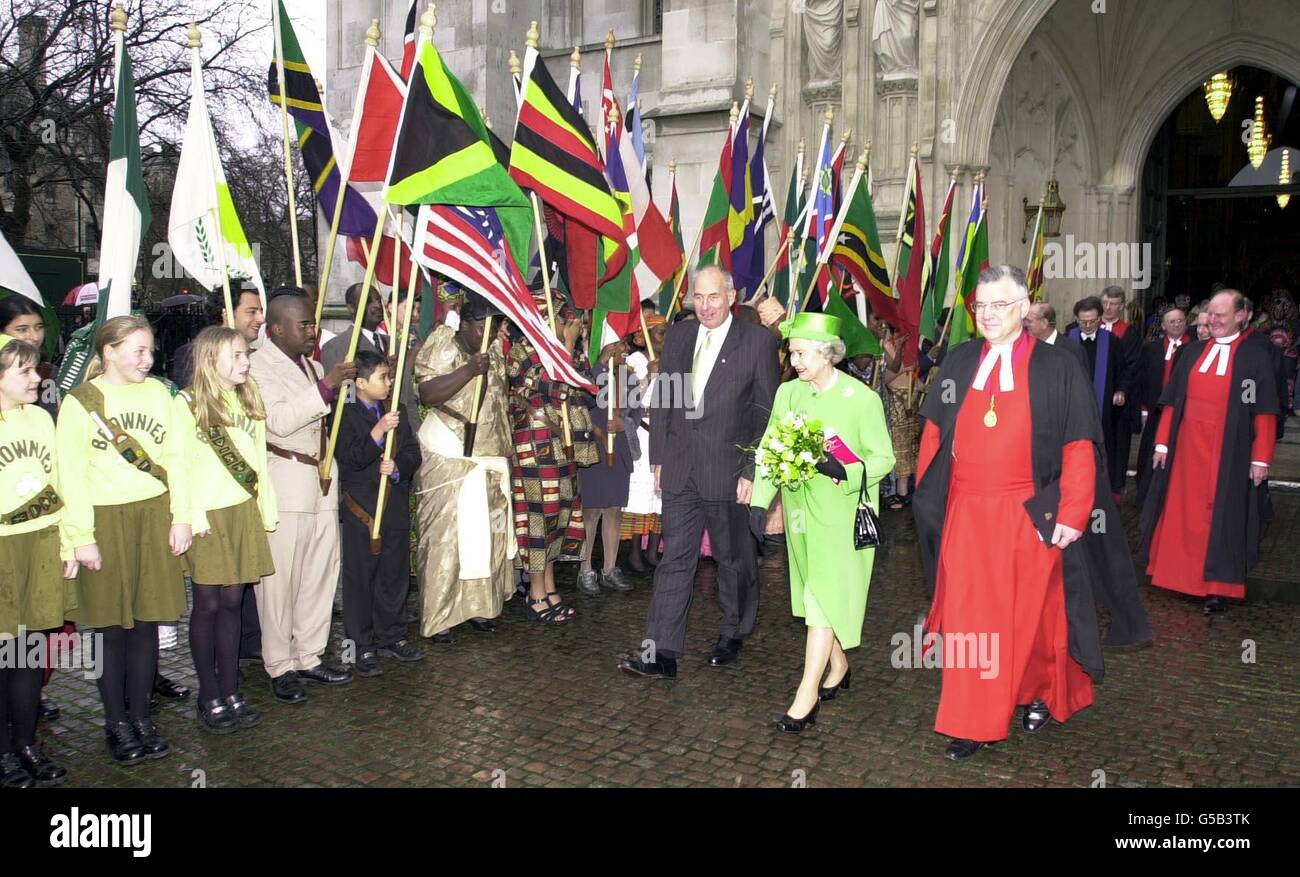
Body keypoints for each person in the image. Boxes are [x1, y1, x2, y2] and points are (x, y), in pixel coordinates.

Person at [913, 266, 1148, 761]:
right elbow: (934, 437)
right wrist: (926, 498)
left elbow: (1079, 446)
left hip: (1031, 513)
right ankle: (972, 719)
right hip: (967, 513)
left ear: (1024, 308)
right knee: (970, 620)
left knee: (1034, 617)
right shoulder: (957, 362)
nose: (988, 315)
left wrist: (1072, 513)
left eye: (999, 305)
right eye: (981, 305)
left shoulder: (1057, 367)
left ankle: (1038, 690)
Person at [619, 265, 780, 678]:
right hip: (680, 468)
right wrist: (658, 457)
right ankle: (661, 653)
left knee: (733, 559)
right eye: (699, 298)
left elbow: (766, 413)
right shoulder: (679, 336)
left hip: (729, 472)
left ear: (731, 296)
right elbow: (667, 400)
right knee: (675, 559)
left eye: (713, 297)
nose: (706, 306)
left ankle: (733, 631)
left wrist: (751, 470)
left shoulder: (757, 342)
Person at [748, 313, 895, 731]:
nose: (794, 360)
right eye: (792, 352)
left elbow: (885, 459)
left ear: (828, 353)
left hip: (844, 516)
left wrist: (841, 470)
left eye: (802, 353)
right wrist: (761, 502)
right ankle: (840, 666)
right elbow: (769, 448)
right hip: (800, 516)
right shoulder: (788, 394)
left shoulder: (861, 398)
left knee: (819, 603)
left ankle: (805, 696)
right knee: (815, 595)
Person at [56, 315, 192, 764]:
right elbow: (69, 476)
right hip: (104, 521)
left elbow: (179, 460)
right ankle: (116, 722)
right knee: (110, 628)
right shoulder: (81, 403)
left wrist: (182, 517)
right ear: (108, 352)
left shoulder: (162, 394)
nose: (148, 359)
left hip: (153, 515)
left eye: (151, 350)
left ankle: (141, 717)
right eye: (137, 350)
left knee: (148, 624)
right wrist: (81, 536)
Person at [1140, 290, 1280, 615]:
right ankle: (1179, 578)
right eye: (1211, 315)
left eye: (1221, 315)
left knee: (1221, 517)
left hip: (1229, 450)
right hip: (1188, 448)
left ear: (1241, 316)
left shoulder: (1256, 356)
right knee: (1183, 511)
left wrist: (1261, 458)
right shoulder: (1191, 352)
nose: (1213, 321)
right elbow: (1173, 401)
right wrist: (1162, 443)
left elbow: (1264, 411)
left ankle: (1218, 588)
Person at [249, 289, 356, 704]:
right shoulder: (257, 367)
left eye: (313, 323)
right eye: (304, 324)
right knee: (280, 580)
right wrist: (327, 385)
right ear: (276, 329)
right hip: (286, 476)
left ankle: (309, 654)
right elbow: (277, 420)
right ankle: (279, 664)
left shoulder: (312, 366)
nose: (312, 331)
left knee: (319, 572)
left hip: (321, 478)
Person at [177, 326, 276, 733]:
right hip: (207, 516)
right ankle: (209, 694)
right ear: (209, 359)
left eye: (246, 354)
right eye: (236, 355)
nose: (246, 361)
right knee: (208, 605)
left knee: (235, 603)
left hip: (241, 511)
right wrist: (190, 516)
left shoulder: (247, 399)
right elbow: (178, 466)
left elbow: (259, 464)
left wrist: (265, 509)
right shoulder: (186, 404)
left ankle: (231, 688)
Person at [413, 293, 516, 637]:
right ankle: (440, 616)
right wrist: (469, 370)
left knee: (487, 536)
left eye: (495, 325)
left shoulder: (496, 353)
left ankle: (479, 607)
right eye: (484, 325)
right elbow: (428, 393)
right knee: (447, 540)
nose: (491, 332)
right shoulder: (444, 344)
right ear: (468, 323)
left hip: (489, 456)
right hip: (451, 454)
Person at [0, 335, 73, 787]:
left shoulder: (43, 421)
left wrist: (67, 545)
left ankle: (27, 743)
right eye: (24, 371)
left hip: (41, 543)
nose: (36, 378)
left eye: (36, 368)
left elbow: (59, 484)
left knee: (27, 654)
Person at [334, 349, 423, 675]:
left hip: (395, 507)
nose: (389, 384)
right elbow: (349, 458)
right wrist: (377, 434)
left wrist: (398, 467)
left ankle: (392, 634)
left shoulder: (395, 411)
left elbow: (414, 453)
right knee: (361, 579)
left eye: (390, 377)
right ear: (360, 382)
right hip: (362, 510)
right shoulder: (345, 414)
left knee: (393, 574)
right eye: (383, 378)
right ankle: (360, 645)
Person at [505, 302, 588, 623]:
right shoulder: (522, 351)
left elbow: (584, 384)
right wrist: (565, 345)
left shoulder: (568, 349)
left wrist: (570, 346)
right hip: (533, 445)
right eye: (557, 316)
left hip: (562, 447)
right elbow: (554, 386)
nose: (566, 321)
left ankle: (550, 586)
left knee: (560, 515)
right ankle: (536, 591)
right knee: (539, 517)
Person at [576, 338, 635, 596]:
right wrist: (599, 366)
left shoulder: (628, 378)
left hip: (619, 450)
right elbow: (579, 402)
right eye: (620, 345)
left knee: (614, 509)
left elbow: (636, 411)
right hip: (595, 450)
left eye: (626, 345)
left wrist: (625, 424)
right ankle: (585, 569)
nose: (626, 350)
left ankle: (609, 568)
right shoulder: (590, 374)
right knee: (592, 511)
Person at [1067, 295, 1131, 503]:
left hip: (1103, 405)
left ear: (1100, 319)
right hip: (1073, 406)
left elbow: (1124, 371)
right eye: (1083, 321)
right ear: (1076, 319)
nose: (1087, 325)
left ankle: (1103, 490)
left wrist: (1121, 390)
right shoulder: (1068, 339)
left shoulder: (1112, 342)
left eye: (1092, 321)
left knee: (1104, 448)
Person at [620, 315, 669, 573]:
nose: (665, 339)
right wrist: (648, 378)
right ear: (646, 337)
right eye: (659, 334)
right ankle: (635, 552)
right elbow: (627, 402)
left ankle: (653, 550)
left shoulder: (673, 362)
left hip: (663, 437)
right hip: (642, 434)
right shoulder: (635, 362)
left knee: (659, 495)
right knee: (640, 497)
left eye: (666, 333)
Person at [1134, 307, 1191, 507]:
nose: (1177, 325)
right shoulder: (1152, 348)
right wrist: (1143, 407)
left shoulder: (1193, 348)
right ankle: (1146, 493)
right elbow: (1142, 379)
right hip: (1154, 409)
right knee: (1149, 452)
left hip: (1181, 412)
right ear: (1164, 325)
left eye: (1180, 321)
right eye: (1172, 321)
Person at [170, 288, 265, 389]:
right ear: (226, 314)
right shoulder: (195, 354)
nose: (261, 319)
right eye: (252, 312)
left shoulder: (259, 356)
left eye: (261, 312)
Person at [320, 282, 389, 381]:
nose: (377, 305)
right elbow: (335, 390)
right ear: (351, 308)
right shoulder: (335, 347)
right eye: (368, 301)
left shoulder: (394, 344)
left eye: (379, 300)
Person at [1024, 301, 1088, 373]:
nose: (1025, 325)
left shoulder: (1073, 350)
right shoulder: (1026, 347)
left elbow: (1080, 382)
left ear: (1044, 323)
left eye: (1029, 321)